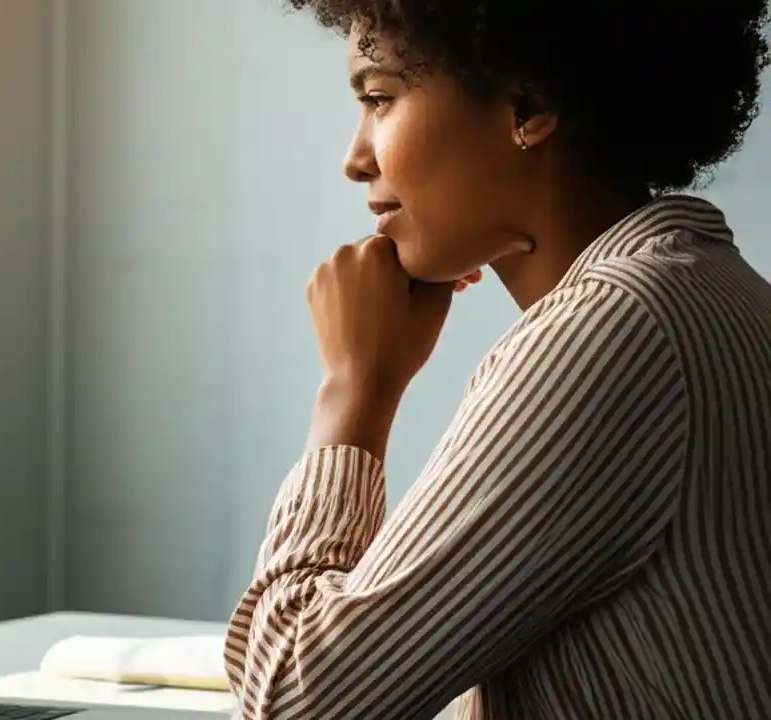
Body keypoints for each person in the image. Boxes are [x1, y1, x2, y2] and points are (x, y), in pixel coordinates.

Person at [224, 1, 771, 718]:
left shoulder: (607, 333)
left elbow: (298, 698)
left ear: (528, 104)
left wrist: (354, 390)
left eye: (380, 99)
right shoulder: (712, 294)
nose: (356, 157)